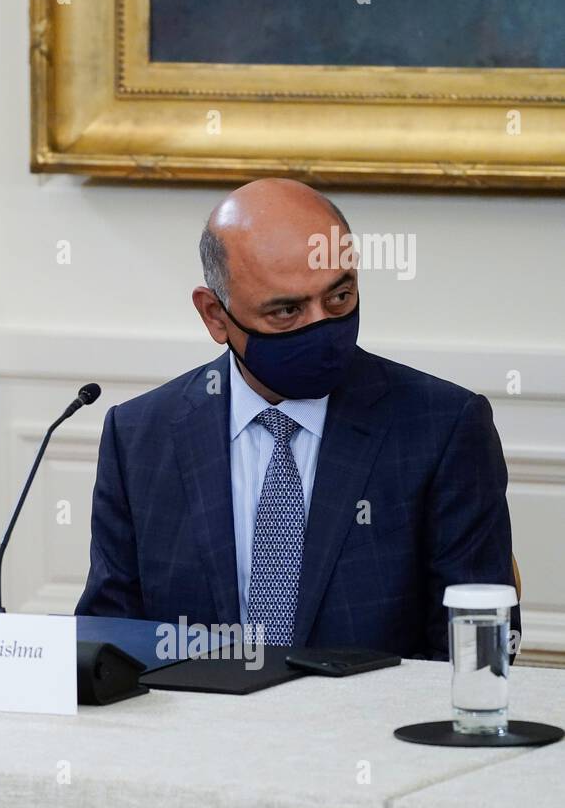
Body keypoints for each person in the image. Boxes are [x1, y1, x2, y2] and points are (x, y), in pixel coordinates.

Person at [77, 178, 517, 658]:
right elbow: (109, 637)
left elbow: (475, 649)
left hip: (372, 727)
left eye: (339, 297)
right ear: (215, 316)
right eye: (286, 311)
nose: (320, 326)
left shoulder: (444, 428)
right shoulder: (140, 436)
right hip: (195, 725)